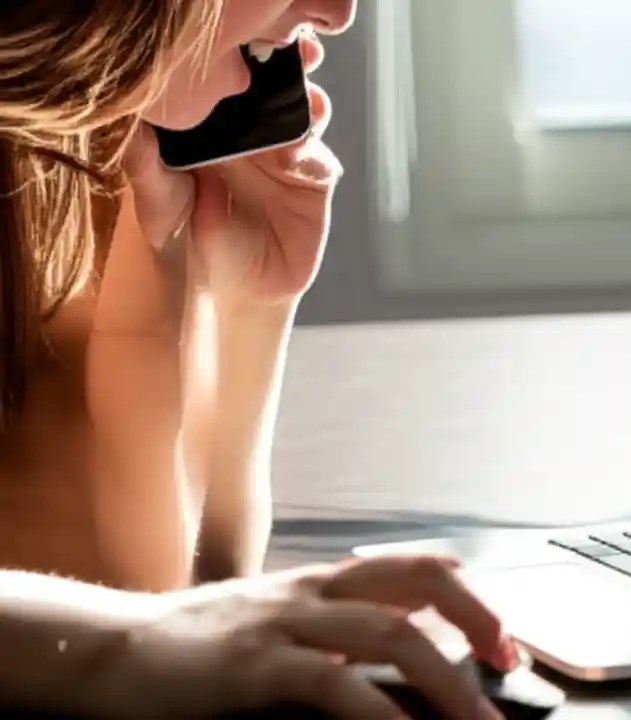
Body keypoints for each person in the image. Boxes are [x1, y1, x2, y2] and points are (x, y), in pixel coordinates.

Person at [0, 2, 513, 718]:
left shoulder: (72, 160)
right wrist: (128, 642)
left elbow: (154, 611)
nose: (335, 14)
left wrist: (235, 306)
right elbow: (122, 637)